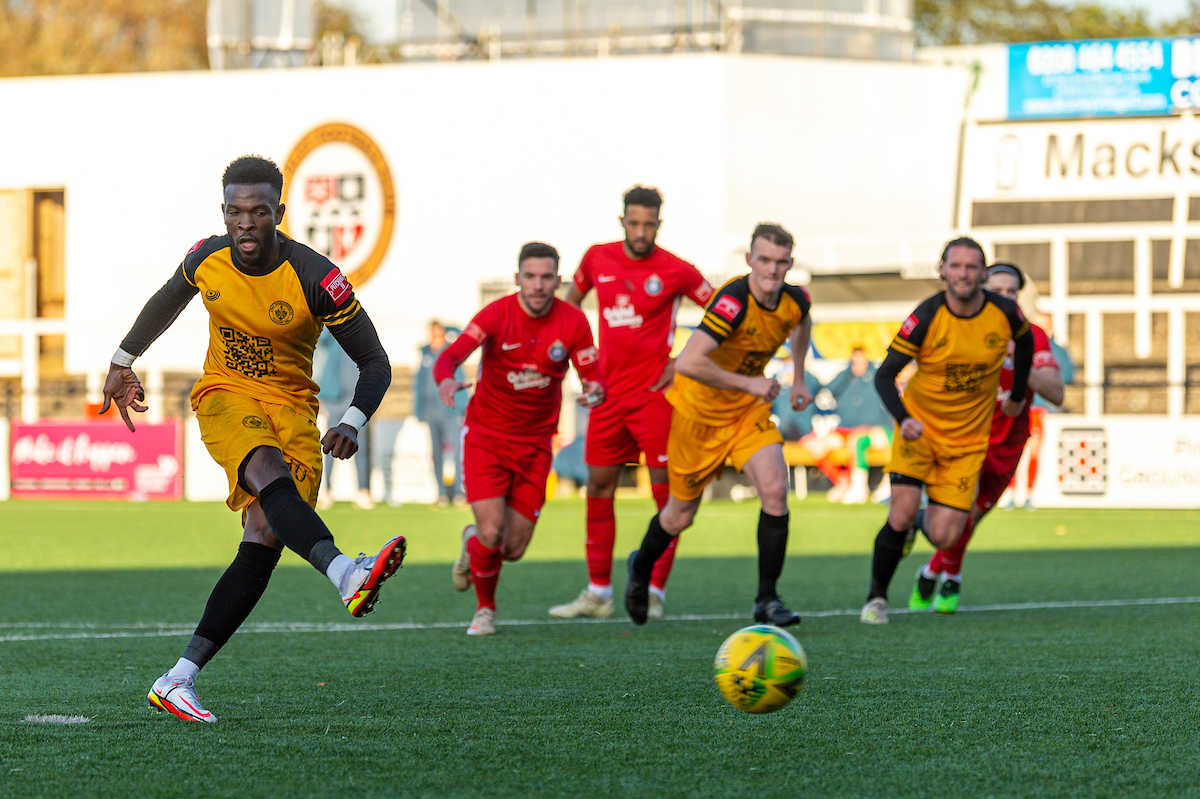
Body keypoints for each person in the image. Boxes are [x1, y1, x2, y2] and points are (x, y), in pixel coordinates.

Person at [100, 156, 406, 723]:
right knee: (268, 475)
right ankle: (346, 573)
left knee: (264, 537)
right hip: (225, 393)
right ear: (224, 213)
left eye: (258, 212)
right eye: (235, 212)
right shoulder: (205, 258)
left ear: (279, 214)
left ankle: (178, 678)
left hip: (294, 409)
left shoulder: (317, 278)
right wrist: (122, 360)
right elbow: (168, 299)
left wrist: (354, 420)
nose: (245, 223)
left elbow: (375, 362)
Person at [624, 223, 813, 628]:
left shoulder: (795, 300)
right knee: (678, 517)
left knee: (776, 489)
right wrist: (751, 383)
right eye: (763, 260)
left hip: (746, 414)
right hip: (698, 417)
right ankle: (640, 569)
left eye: (780, 262)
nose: (772, 270)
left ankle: (767, 600)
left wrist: (798, 377)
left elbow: (802, 323)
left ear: (789, 264)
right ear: (749, 261)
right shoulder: (733, 300)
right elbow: (690, 362)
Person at [548, 185, 714, 621]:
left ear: (660, 223)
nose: (641, 232)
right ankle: (598, 592)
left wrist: (683, 361)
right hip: (607, 396)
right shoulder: (596, 258)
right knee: (598, 488)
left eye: (649, 224)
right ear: (622, 220)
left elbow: (721, 312)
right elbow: (569, 307)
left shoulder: (677, 269)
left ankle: (655, 591)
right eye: (634, 222)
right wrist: (576, 360)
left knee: (668, 497)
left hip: (657, 398)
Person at [435, 242, 606, 636]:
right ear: (517, 279)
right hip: (486, 438)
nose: (538, 285)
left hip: (535, 446)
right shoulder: (497, 314)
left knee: (512, 549)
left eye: (547, 277)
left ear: (558, 280)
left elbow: (594, 379)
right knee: (493, 533)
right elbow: (450, 356)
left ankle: (471, 542)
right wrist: (445, 379)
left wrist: (595, 392)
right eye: (530, 276)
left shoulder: (575, 322)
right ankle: (485, 610)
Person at [860, 237, 1033, 624]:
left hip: (968, 442)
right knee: (900, 514)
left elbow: (1026, 343)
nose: (963, 274)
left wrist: (1018, 396)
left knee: (945, 537)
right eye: (956, 266)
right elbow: (885, 374)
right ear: (942, 270)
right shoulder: (926, 316)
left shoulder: (1005, 313)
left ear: (983, 274)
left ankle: (918, 523)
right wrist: (903, 417)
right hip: (918, 434)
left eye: (972, 267)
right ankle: (876, 600)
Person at [908, 263, 1062, 613]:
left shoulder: (1032, 336)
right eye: (998, 291)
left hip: (1009, 442)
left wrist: (1018, 356)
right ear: (982, 289)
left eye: (1012, 292)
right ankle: (952, 580)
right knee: (960, 510)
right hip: (966, 436)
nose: (1006, 298)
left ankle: (932, 569)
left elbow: (1056, 392)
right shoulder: (964, 329)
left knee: (972, 517)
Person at [314, 327, 374, 509]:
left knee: (361, 448)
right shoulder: (332, 332)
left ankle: (363, 491)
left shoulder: (361, 333)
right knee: (329, 446)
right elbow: (319, 339)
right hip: (334, 397)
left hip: (357, 400)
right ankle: (327, 491)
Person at [825, 347, 892, 504]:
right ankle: (843, 482)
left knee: (857, 440)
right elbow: (830, 389)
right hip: (848, 430)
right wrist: (848, 371)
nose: (858, 365)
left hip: (877, 430)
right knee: (820, 445)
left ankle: (859, 487)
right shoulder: (847, 378)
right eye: (854, 361)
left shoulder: (876, 377)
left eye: (862, 361)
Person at [414, 320, 468, 506]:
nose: (436, 337)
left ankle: (458, 491)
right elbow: (419, 384)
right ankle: (442, 493)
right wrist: (419, 410)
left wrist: (462, 408)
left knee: (458, 452)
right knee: (436, 454)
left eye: (440, 333)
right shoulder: (425, 354)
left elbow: (460, 380)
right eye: (433, 333)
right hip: (431, 411)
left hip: (451, 410)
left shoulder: (451, 353)